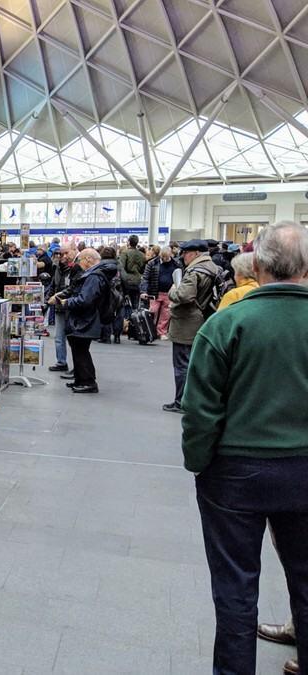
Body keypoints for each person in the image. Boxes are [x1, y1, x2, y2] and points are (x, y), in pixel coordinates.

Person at [181, 221, 308, 675]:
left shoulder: (226, 323)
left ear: (255, 266)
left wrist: (199, 463)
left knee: (235, 588)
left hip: (235, 475)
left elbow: (199, 409)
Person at [164, 239, 220, 414]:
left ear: (196, 253)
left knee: (182, 364)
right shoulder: (212, 267)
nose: (183, 256)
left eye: (186, 253)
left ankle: (181, 401)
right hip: (202, 317)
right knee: (193, 363)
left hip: (187, 321)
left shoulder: (195, 271)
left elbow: (183, 295)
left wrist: (172, 289)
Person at [49, 248, 108, 393]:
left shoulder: (94, 276)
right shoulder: (92, 274)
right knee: (78, 349)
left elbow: (85, 299)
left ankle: (88, 382)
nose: (78, 263)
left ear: (88, 259)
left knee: (81, 351)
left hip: (86, 319)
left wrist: (65, 302)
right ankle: (80, 379)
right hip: (83, 318)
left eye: (80, 260)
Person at [47, 245, 75, 373]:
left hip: (72, 307)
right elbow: (54, 284)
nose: (62, 256)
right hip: (59, 307)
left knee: (74, 339)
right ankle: (61, 362)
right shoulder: (58, 268)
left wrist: (56, 296)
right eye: (60, 253)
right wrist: (47, 298)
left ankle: (77, 367)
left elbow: (73, 288)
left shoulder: (76, 268)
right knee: (59, 337)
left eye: (66, 253)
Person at [141, 247, 178, 339]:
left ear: (170, 255)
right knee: (152, 311)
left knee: (166, 314)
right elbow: (145, 278)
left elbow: (180, 278)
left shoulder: (176, 264)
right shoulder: (152, 263)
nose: (164, 259)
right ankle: (150, 331)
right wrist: (143, 291)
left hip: (169, 293)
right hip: (154, 292)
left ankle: (161, 332)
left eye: (166, 257)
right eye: (162, 257)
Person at [96, 246, 122, 344]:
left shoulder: (100, 265)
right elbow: (123, 278)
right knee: (118, 314)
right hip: (118, 292)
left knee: (106, 313)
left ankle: (105, 336)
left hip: (105, 291)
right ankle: (117, 336)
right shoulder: (118, 264)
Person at [120, 234, 147, 321]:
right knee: (136, 304)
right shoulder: (142, 255)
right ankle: (135, 323)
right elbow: (143, 270)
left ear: (129, 242)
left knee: (125, 303)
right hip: (138, 281)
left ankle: (126, 323)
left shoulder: (125, 253)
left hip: (127, 281)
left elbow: (121, 268)